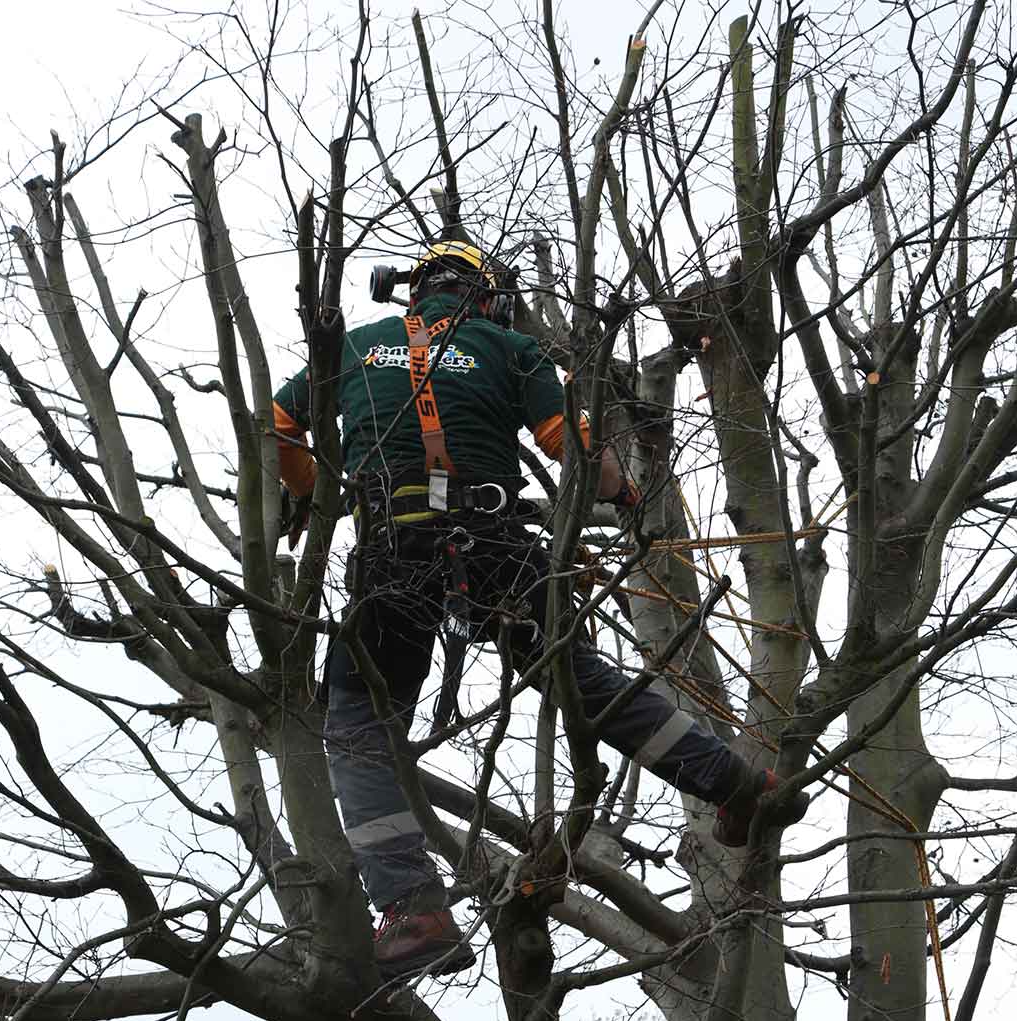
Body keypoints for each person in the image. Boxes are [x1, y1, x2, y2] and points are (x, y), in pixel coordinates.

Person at [272, 241, 806, 979]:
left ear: (416, 292)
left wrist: (302, 493)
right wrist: (626, 499)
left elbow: (275, 421)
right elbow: (578, 449)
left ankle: (414, 909)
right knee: (581, 682)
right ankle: (733, 781)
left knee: (361, 724)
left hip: (394, 557)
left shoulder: (361, 347)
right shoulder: (513, 349)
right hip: (498, 549)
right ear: (486, 296)